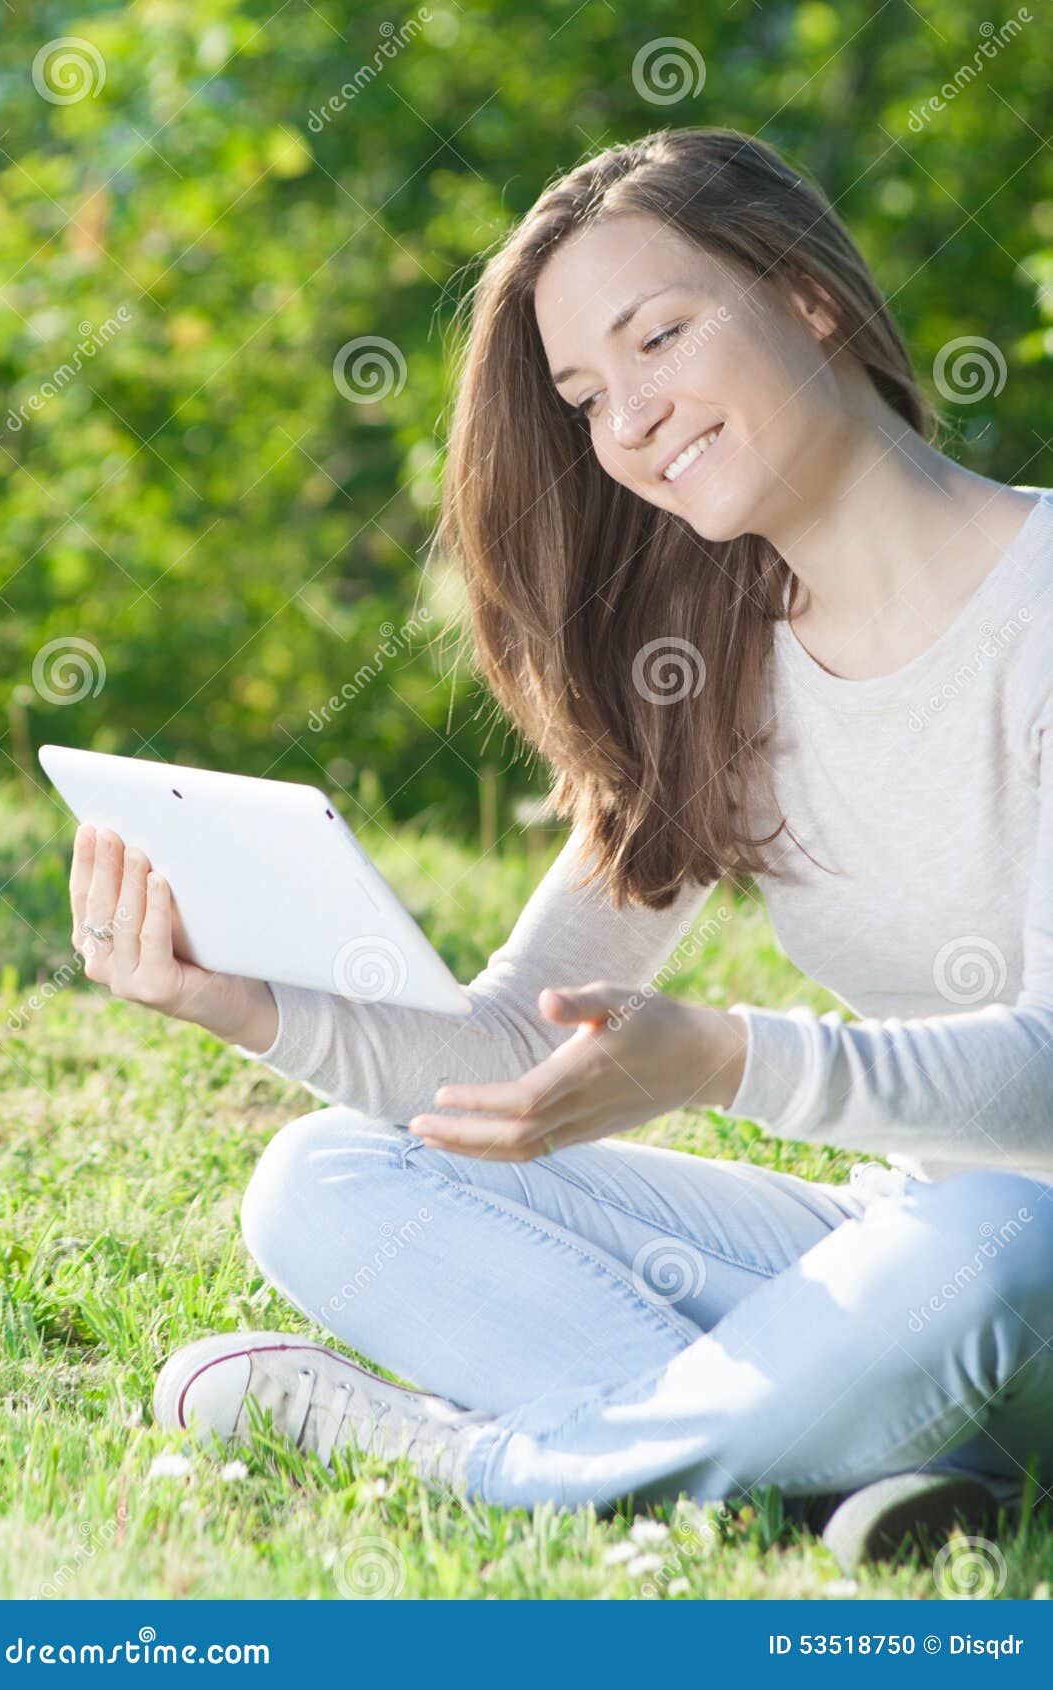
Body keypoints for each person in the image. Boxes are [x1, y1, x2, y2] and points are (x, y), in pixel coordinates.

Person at [70, 128, 1053, 1571]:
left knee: (988, 1247)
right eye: (589, 395)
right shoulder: (714, 662)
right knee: (330, 1177)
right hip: (897, 1250)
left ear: (811, 299)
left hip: (998, 1270)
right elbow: (503, 1050)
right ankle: (833, 1449)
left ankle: (475, 1455)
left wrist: (728, 1058)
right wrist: (250, 1006)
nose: (632, 419)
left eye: (660, 337)